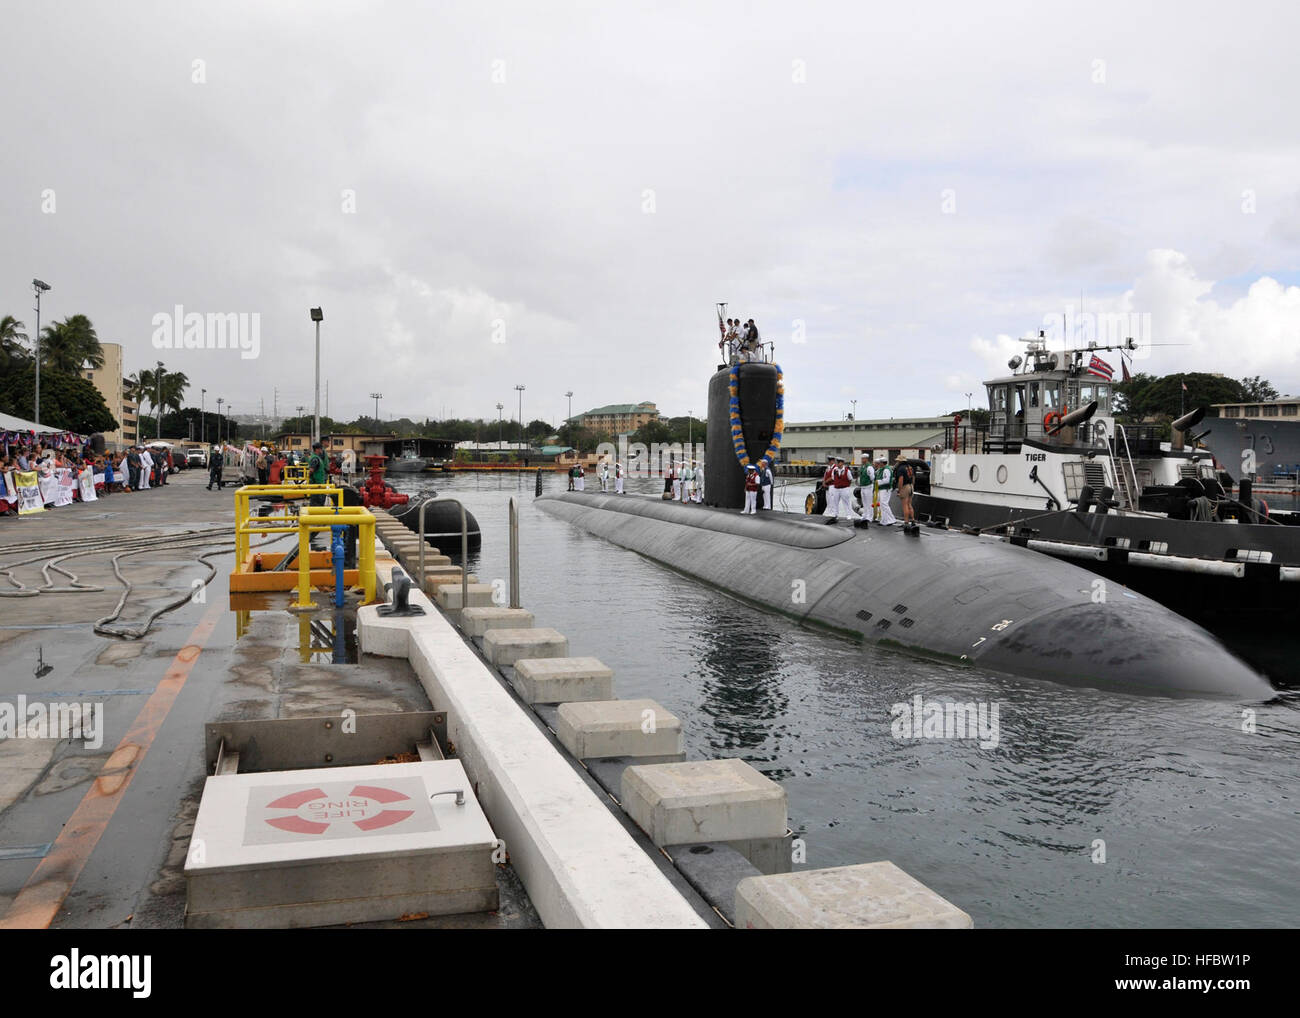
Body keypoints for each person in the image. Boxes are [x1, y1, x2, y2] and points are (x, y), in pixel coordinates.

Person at [895, 456, 918, 531]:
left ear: (900, 462)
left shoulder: (901, 469)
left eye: (898, 461)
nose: (897, 462)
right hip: (911, 486)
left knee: (904, 505)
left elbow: (901, 480)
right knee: (909, 504)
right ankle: (913, 520)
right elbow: (914, 477)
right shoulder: (910, 467)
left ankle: (906, 522)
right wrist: (912, 485)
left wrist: (899, 490)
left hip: (905, 486)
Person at [307, 442, 328, 506]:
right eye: (320, 449)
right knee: (316, 502)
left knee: (318, 501)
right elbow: (311, 470)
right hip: (316, 484)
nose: (321, 450)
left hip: (319, 483)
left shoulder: (317, 458)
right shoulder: (315, 459)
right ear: (317, 449)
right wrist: (313, 480)